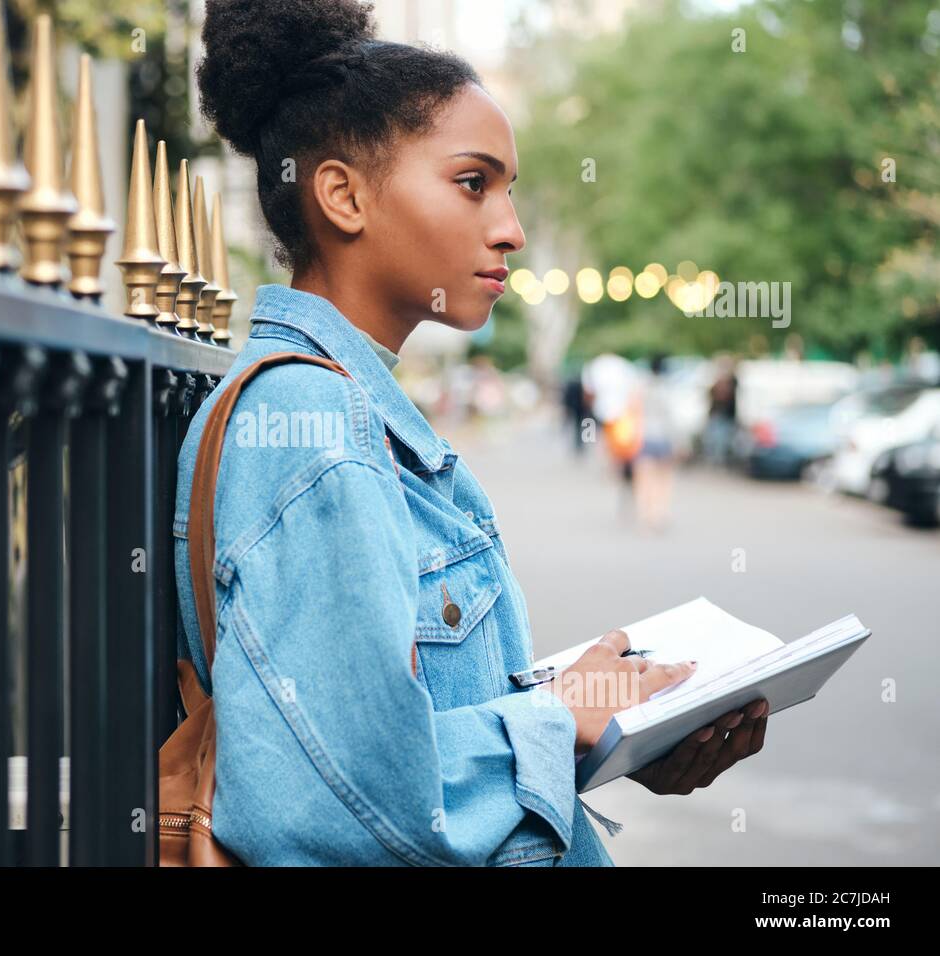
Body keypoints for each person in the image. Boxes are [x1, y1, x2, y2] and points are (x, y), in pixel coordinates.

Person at [174, 0, 768, 866]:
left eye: (510, 190)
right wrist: (560, 717)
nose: (512, 230)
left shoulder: (339, 410)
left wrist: (604, 727)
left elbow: (402, 744)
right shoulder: (313, 431)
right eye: (472, 182)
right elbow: (341, 801)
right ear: (342, 193)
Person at [632, 354, 679, 533]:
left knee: (644, 479)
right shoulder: (667, 388)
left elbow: (632, 412)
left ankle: (645, 514)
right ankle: (661, 512)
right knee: (664, 480)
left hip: (643, 436)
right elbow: (672, 418)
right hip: (664, 438)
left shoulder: (640, 387)